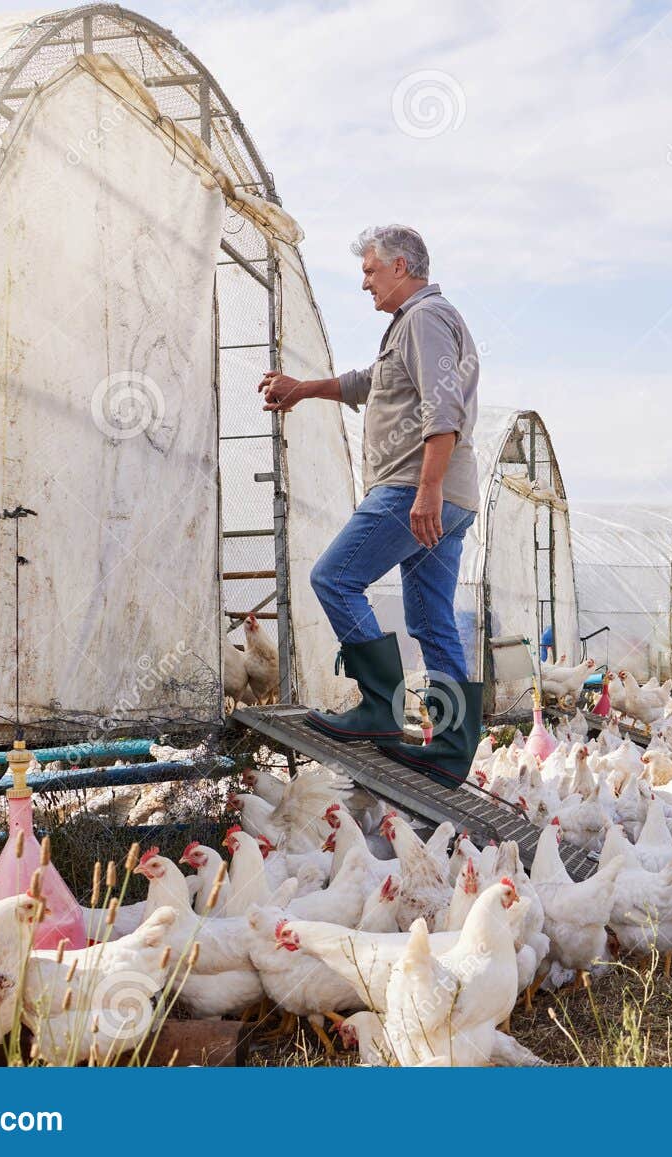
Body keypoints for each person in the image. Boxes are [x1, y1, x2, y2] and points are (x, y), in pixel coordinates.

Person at [258, 225, 481, 786]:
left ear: (401, 267)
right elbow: (372, 384)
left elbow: (442, 408)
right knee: (431, 619)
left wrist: (425, 489)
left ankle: (378, 710)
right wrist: (306, 388)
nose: (364, 284)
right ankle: (452, 751)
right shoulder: (414, 325)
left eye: (369, 272)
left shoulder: (426, 319)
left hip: (413, 487)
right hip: (446, 494)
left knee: (334, 578)